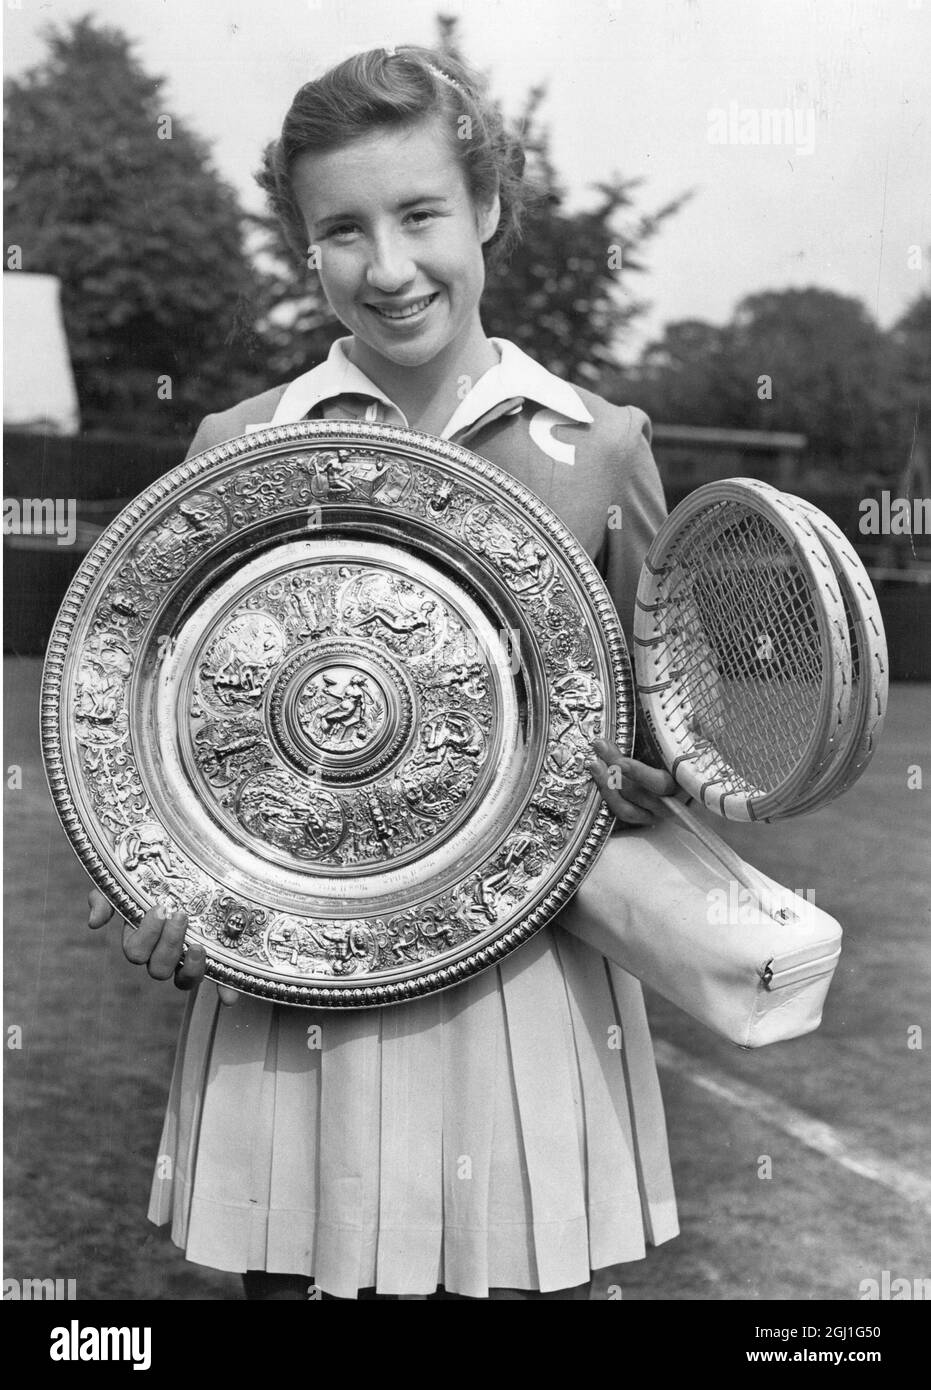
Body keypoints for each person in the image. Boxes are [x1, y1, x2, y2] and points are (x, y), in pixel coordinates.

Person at [88, 43, 679, 1301]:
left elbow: (661, 742)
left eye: (420, 214)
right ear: (308, 248)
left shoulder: (601, 446)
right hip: (290, 1003)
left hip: (519, 995)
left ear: (489, 213)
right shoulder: (237, 447)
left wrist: (642, 780)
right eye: (341, 230)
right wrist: (159, 883)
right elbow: (151, 739)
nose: (388, 266)